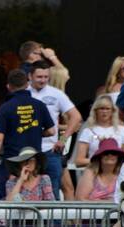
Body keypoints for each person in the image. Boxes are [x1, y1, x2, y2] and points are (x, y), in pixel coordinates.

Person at [0, 70, 55, 199]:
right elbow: (52, 131)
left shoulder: (6, 107)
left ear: (8, 87)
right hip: (34, 162)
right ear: (27, 84)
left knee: (6, 202)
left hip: (12, 163)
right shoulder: (39, 105)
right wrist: (35, 132)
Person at [28, 61, 80, 199]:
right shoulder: (23, 93)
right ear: (30, 76)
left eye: (46, 77)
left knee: (52, 193)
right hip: (27, 152)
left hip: (50, 151)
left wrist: (63, 139)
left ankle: (54, 222)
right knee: (27, 192)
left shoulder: (56, 94)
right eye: (39, 77)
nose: (43, 80)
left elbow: (76, 117)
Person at [74, 96, 124, 167]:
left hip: (117, 172)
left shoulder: (122, 130)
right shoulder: (87, 131)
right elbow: (79, 160)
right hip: (94, 170)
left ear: (113, 111)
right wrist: (101, 160)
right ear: (95, 111)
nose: (104, 111)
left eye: (107, 109)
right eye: (101, 108)